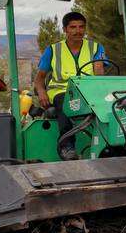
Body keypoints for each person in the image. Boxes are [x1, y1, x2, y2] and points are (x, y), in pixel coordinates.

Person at [35, 11, 108, 151]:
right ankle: (67, 146)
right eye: (73, 27)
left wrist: (102, 92)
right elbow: (39, 78)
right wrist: (41, 92)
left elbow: (99, 72)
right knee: (67, 102)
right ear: (65, 29)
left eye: (81, 27)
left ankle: (107, 144)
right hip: (61, 90)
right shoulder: (53, 50)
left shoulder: (95, 47)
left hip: (88, 91)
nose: (78, 31)